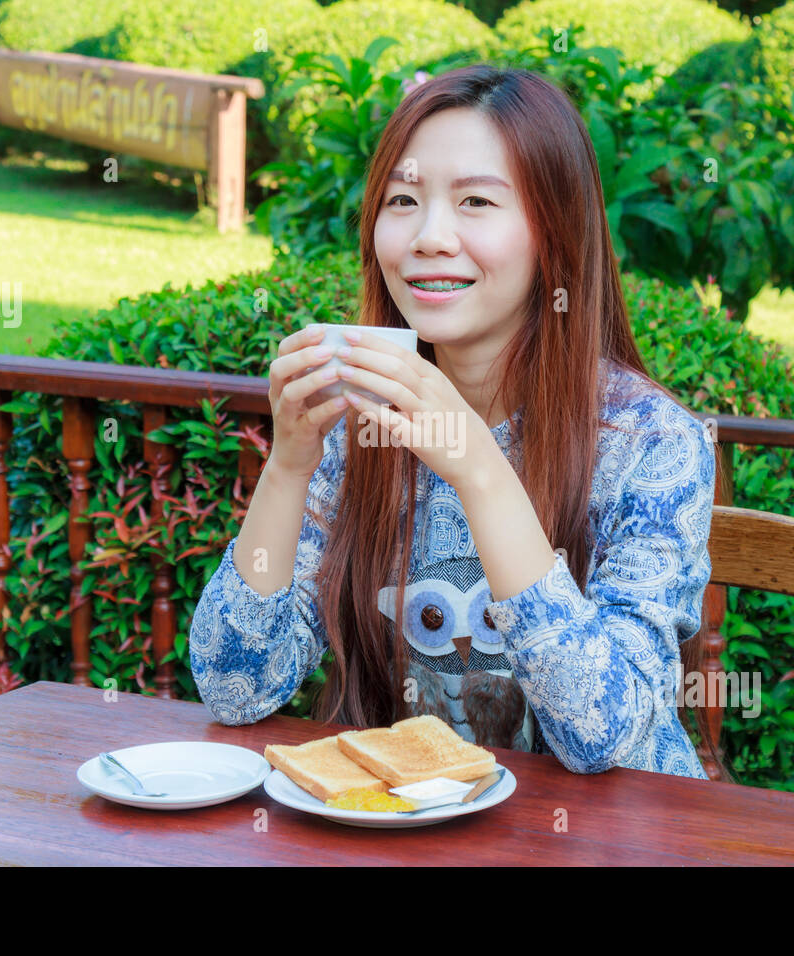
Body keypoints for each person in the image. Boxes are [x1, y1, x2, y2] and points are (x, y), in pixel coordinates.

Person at [189, 63, 729, 778]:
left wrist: (479, 469)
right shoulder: (359, 425)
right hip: (417, 833)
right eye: (403, 200)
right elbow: (235, 688)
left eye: (476, 201)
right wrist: (289, 465)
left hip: (611, 843)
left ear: (554, 230)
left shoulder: (651, 443)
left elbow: (605, 733)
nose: (430, 236)